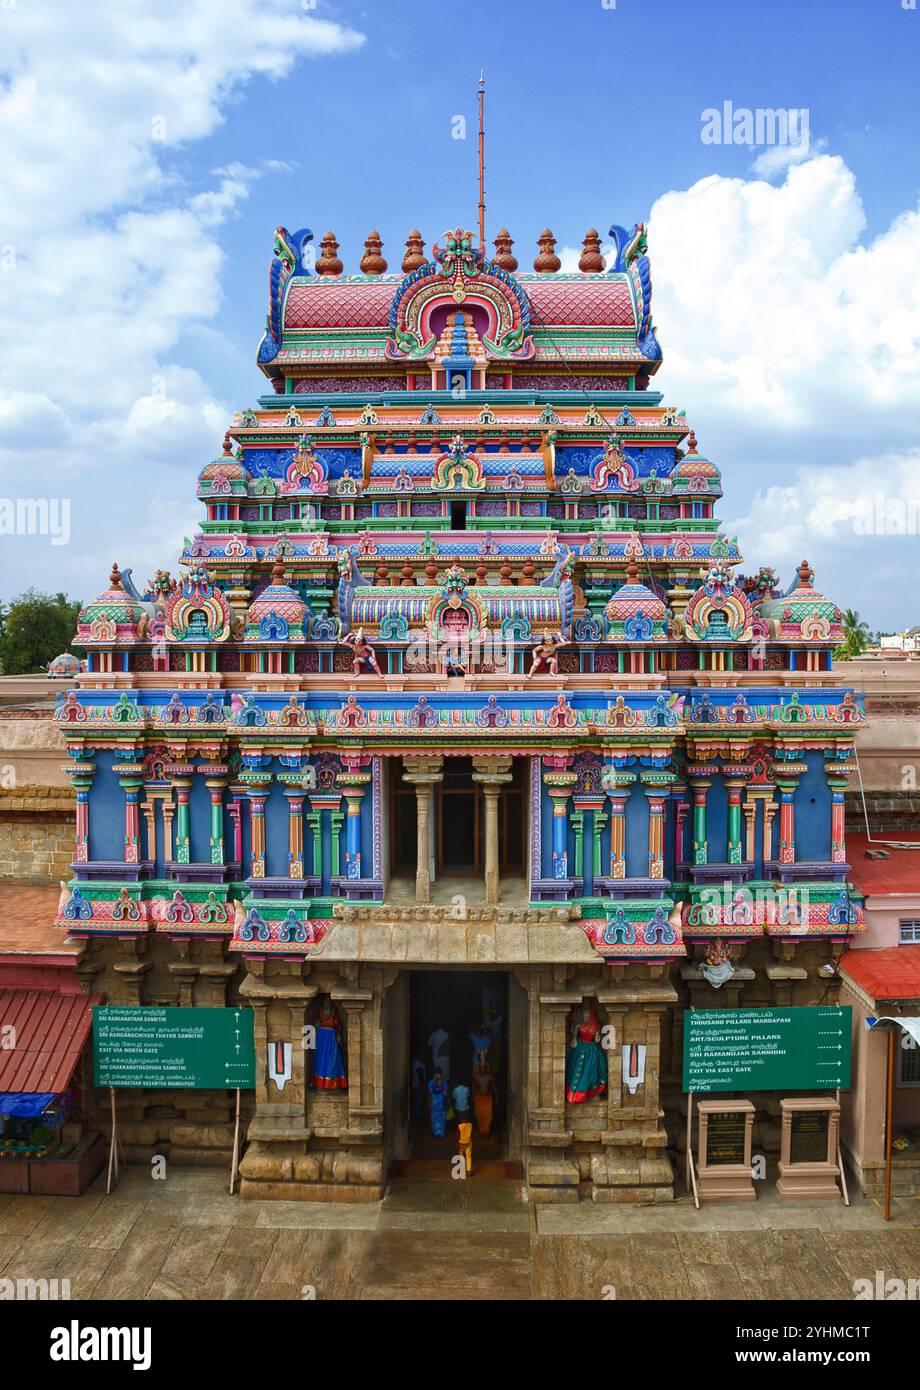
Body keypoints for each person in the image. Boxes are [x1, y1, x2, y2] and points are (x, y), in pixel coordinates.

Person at [565, 1002, 608, 1104]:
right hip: (580, 1048)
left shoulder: (595, 1026)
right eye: (584, 1015)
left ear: (591, 1016)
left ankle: (591, 1094)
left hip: (591, 1050)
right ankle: (576, 1095)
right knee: (577, 1071)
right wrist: (574, 1040)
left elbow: (597, 1037)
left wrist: (598, 1038)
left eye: (588, 1015)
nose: (586, 1017)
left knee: (591, 1072)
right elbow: (574, 1037)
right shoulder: (578, 1025)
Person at [312, 995, 347, 1090]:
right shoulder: (320, 1011)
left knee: (333, 1059)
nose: (327, 1004)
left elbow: (338, 1026)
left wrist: (338, 1035)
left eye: (328, 1002)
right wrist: (317, 1025)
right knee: (321, 1060)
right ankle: (321, 1084)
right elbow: (315, 1023)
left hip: (331, 1038)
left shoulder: (334, 1012)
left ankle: (332, 1084)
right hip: (321, 1038)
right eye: (325, 1002)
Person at [472, 1051, 497, 1136]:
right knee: (479, 1116)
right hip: (479, 1098)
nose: (483, 1068)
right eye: (481, 1066)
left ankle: (486, 1131)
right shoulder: (476, 1076)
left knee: (488, 1116)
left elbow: (494, 1088)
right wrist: (473, 1099)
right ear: (479, 1066)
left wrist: (496, 1099)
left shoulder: (490, 1076)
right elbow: (474, 1088)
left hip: (488, 1099)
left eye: (484, 1066)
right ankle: (481, 1131)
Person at [428, 1068, 448, 1139]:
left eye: (438, 1074)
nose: (437, 1075)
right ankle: (438, 1133)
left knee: (439, 1118)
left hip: (439, 1103)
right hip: (436, 1104)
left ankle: (439, 1133)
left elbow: (445, 1092)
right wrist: (429, 1103)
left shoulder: (443, 1082)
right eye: (436, 1074)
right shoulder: (431, 1083)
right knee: (436, 1118)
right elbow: (430, 1094)